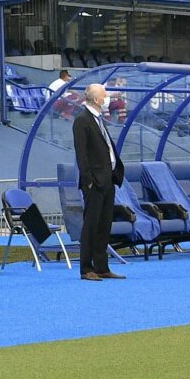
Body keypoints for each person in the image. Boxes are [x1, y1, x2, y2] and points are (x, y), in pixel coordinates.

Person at [72, 83, 124, 280]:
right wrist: (89, 181)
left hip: (108, 180)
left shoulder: (99, 120)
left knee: (104, 225)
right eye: (104, 95)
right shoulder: (82, 121)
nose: (107, 98)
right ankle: (86, 268)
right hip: (94, 182)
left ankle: (102, 266)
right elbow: (82, 154)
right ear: (96, 99)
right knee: (91, 225)